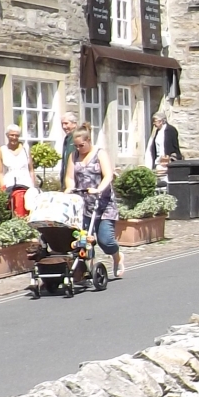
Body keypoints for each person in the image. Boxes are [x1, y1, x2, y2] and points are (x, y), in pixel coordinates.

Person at [68, 123, 123, 279]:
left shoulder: (99, 153)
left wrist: (99, 189)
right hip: (84, 205)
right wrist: (69, 188)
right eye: (76, 145)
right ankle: (90, 269)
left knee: (106, 241)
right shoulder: (74, 156)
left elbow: (108, 175)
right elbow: (70, 177)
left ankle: (117, 257)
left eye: (81, 145)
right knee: (85, 241)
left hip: (104, 204)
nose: (79, 148)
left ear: (89, 140)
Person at [0, 124, 37, 218]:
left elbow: (31, 169)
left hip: (26, 182)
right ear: (7, 135)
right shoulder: (1, 150)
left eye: (16, 135)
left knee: (28, 208)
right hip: (10, 183)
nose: (14, 138)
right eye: (12, 135)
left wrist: (33, 185)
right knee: (13, 208)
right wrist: (2, 187)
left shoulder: (26, 149)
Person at [57, 111, 81, 192]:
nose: (64, 126)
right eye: (62, 124)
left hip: (76, 180)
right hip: (66, 180)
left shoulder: (78, 137)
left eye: (66, 123)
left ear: (74, 124)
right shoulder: (67, 138)